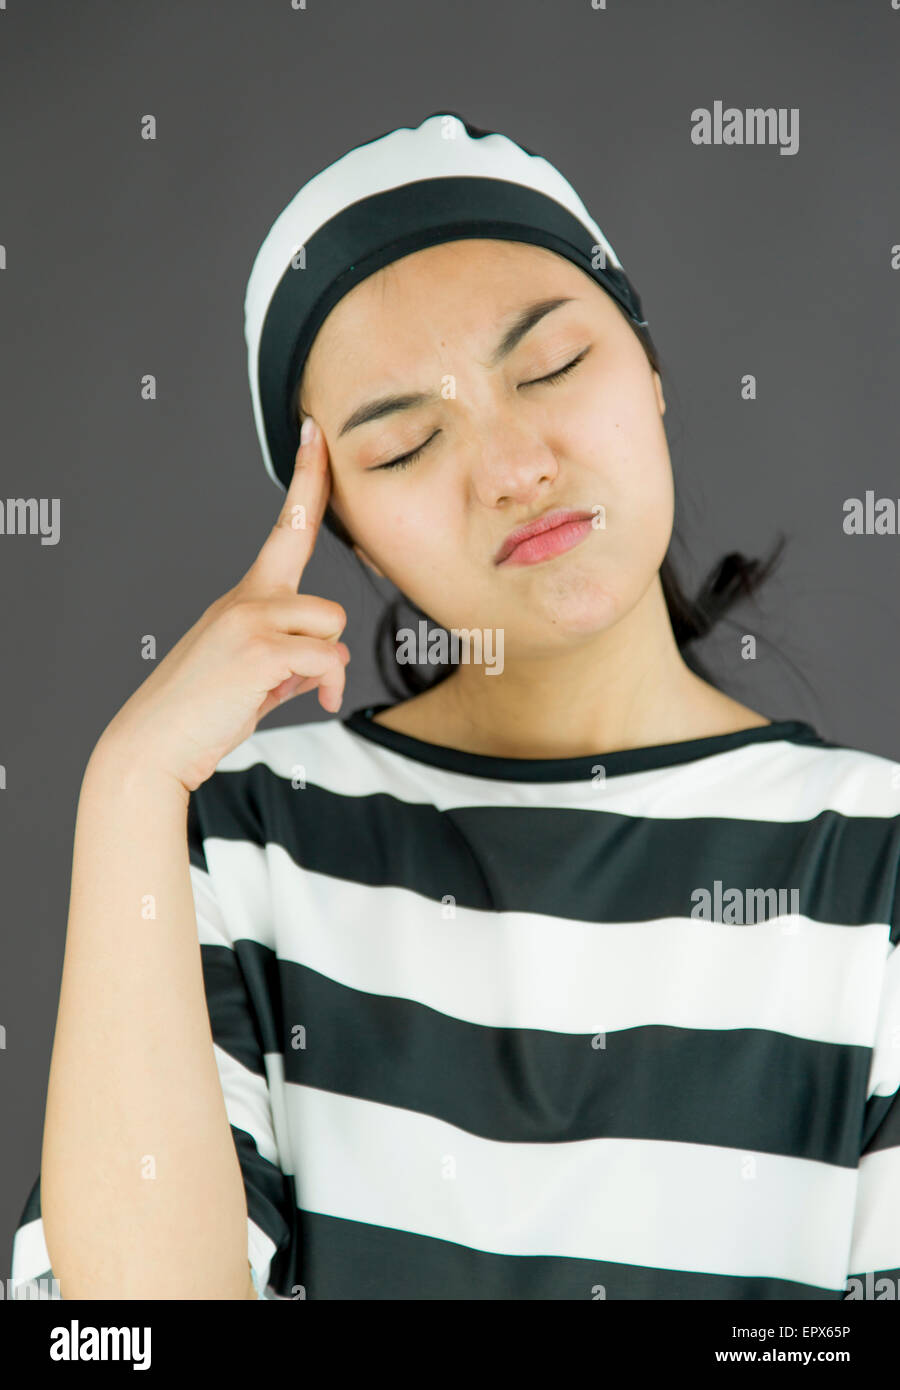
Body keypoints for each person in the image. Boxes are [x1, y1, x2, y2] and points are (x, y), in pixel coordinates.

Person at [9, 111, 900, 1300]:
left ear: (653, 371)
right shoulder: (233, 845)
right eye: (406, 444)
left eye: (551, 366)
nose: (513, 464)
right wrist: (124, 785)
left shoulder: (876, 863)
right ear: (351, 539)